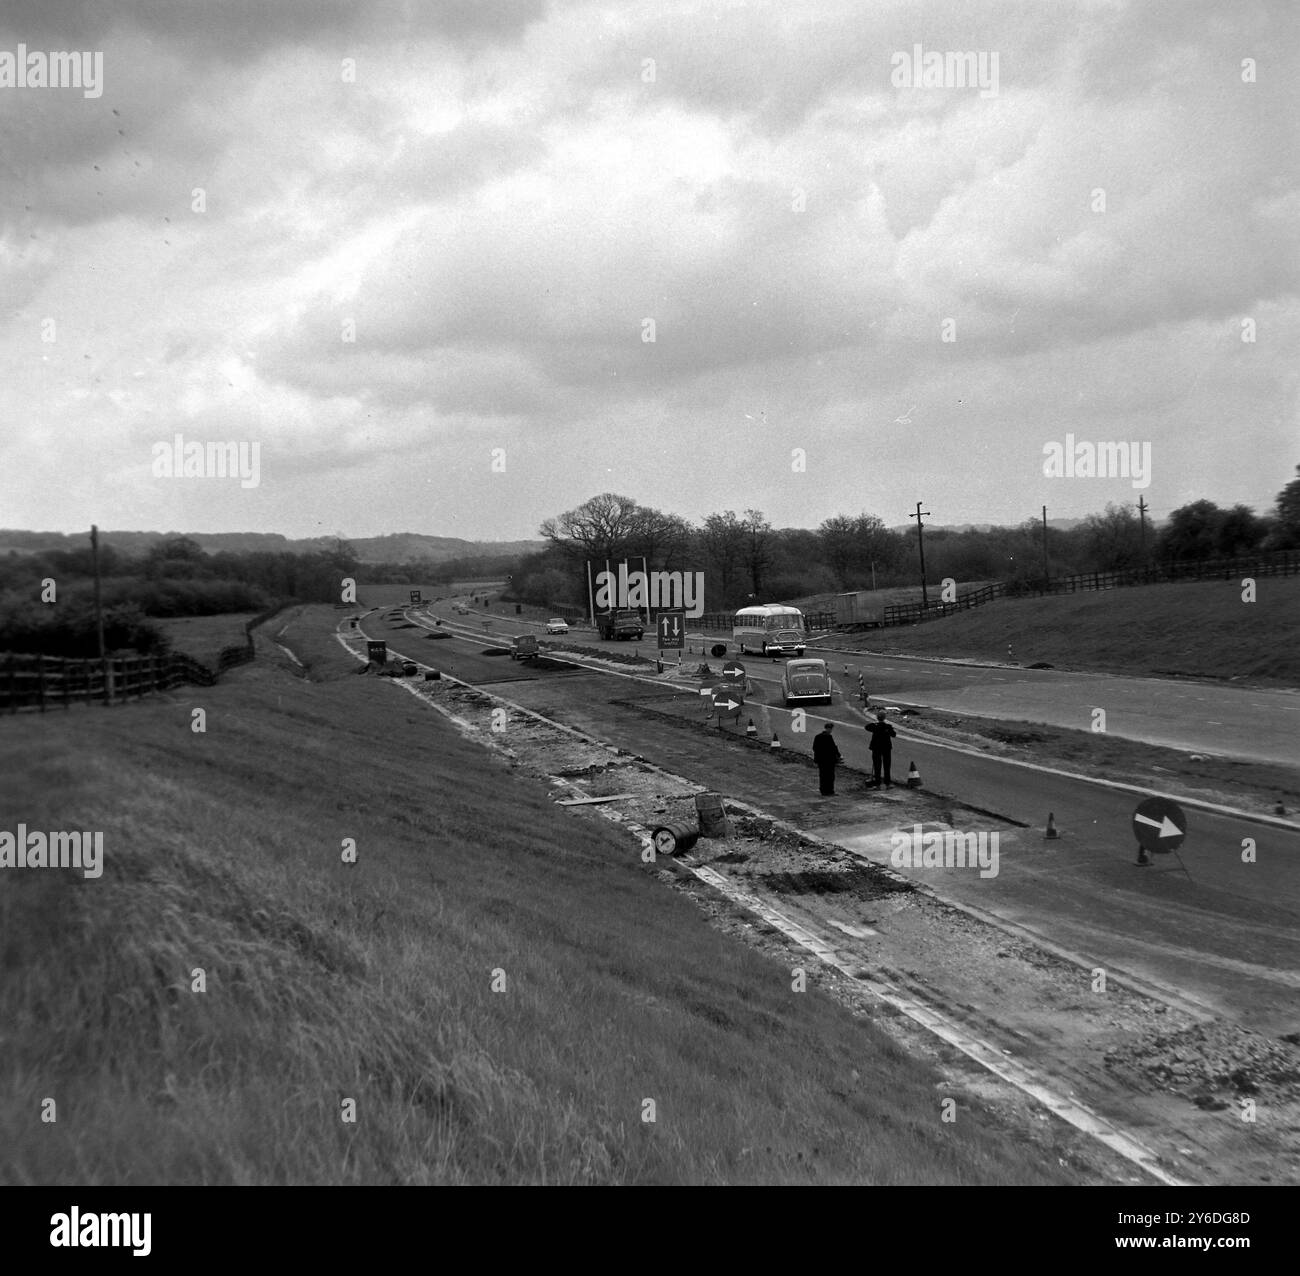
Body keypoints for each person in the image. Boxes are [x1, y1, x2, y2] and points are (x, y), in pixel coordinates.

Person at [864, 709, 897, 787]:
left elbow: (867, 727)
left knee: (877, 765)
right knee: (887, 766)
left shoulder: (874, 726)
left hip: (876, 748)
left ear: (877, 717)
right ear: (884, 718)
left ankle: (877, 782)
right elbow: (894, 735)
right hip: (886, 748)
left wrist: (875, 723)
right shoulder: (887, 726)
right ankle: (887, 782)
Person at [812, 722, 841, 795]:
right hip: (829, 760)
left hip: (821, 760)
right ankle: (829, 791)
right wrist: (838, 755)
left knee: (822, 775)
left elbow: (814, 748)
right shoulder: (828, 737)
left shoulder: (818, 736)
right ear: (829, 729)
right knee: (830, 776)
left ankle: (823, 790)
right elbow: (833, 748)